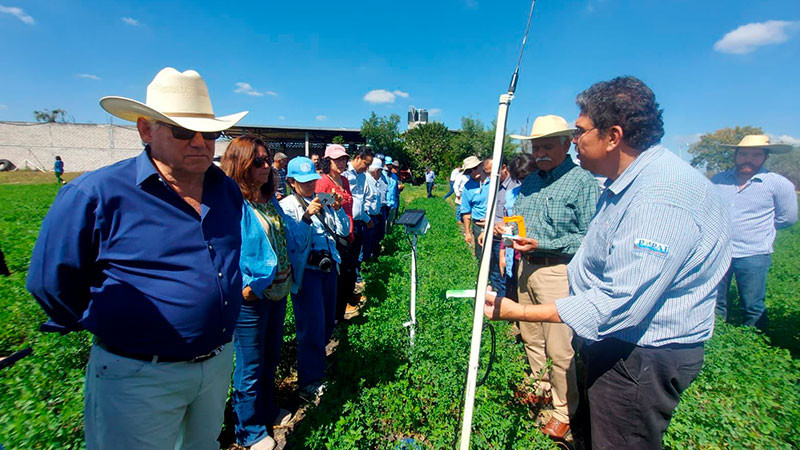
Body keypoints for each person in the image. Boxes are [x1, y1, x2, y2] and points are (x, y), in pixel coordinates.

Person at [484, 76, 731, 449]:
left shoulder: (659, 199)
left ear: (612, 136)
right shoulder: (626, 183)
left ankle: (565, 412)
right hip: (616, 340)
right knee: (597, 431)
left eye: (580, 132)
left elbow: (619, 303)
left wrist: (516, 310)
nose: (576, 141)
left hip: (640, 353)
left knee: (620, 439)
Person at [26, 67, 249, 449]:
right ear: (146, 130)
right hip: (138, 376)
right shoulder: (96, 194)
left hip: (215, 364)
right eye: (182, 131)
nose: (199, 142)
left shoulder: (226, 191)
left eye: (209, 133)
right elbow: (52, 284)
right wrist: (124, 326)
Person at [507, 114, 600, 438]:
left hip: (559, 271)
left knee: (560, 348)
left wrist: (544, 243)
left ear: (566, 144)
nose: (541, 152)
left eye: (548, 146)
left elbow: (591, 237)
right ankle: (540, 387)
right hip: (526, 267)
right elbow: (518, 220)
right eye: (537, 147)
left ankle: (565, 411)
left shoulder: (582, 182)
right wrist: (504, 230)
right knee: (531, 336)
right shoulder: (530, 182)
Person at [221, 136, 297, 450]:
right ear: (240, 164)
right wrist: (246, 287)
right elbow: (224, 248)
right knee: (250, 366)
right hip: (252, 298)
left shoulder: (268, 198)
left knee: (270, 356)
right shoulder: (232, 202)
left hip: (277, 292)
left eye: (267, 161)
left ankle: (266, 410)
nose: (266, 167)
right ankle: (248, 430)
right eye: (258, 162)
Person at [279, 157, 349, 402]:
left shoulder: (324, 201)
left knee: (328, 321)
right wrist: (306, 217)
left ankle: (317, 365)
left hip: (328, 268)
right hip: (307, 272)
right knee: (310, 327)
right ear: (290, 181)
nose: (310, 186)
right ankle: (308, 383)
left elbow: (343, 231)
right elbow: (292, 242)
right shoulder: (287, 206)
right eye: (303, 182)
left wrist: (337, 209)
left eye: (312, 181)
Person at [712, 135, 797, 330]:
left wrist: (758, 228)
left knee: (753, 304)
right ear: (735, 155)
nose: (748, 159)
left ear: (765, 157)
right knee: (715, 302)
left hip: (754, 253)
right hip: (720, 252)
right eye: (743, 154)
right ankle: (717, 337)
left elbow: (788, 218)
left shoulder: (778, 184)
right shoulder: (719, 180)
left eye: (756, 155)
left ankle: (755, 338)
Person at [315, 144, 360, 320]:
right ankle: (334, 318)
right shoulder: (323, 181)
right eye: (337, 160)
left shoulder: (345, 181)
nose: (341, 163)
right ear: (328, 161)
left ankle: (340, 314)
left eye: (343, 159)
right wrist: (334, 200)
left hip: (347, 231)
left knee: (348, 275)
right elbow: (317, 199)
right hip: (334, 236)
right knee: (340, 278)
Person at [474, 157, 514, 297]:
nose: (490, 177)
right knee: (493, 272)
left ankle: (504, 306)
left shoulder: (514, 188)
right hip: (492, 236)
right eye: (487, 173)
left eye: (492, 172)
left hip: (505, 240)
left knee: (505, 274)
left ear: (503, 167)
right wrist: (485, 230)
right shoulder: (494, 187)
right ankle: (496, 302)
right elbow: (491, 211)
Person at [502, 153, 538, 300]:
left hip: (536, 252)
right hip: (515, 252)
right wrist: (503, 252)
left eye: (528, 176)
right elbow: (507, 225)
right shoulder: (511, 194)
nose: (525, 182)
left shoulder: (541, 194)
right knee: (516, 289)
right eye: (521, 178)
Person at [343, 148, 375, 285]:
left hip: (359, 222)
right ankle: (349, 284)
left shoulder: (362, 176)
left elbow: (359, 200)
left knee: (356, 253)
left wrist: (366, 218)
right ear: (357, 158)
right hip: (346, 222)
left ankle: (354, 281)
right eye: (366, 164)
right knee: (347, 256)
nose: (367, 168)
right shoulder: (344, 173)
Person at [455, 156, 480, 223]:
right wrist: (457, 194)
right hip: (461, 192)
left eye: (475, 168)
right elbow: (456, 185)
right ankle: (459, 219)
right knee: (460, 207)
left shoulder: (491, 182)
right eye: (469, 171)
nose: (473, 172)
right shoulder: (462, 179)